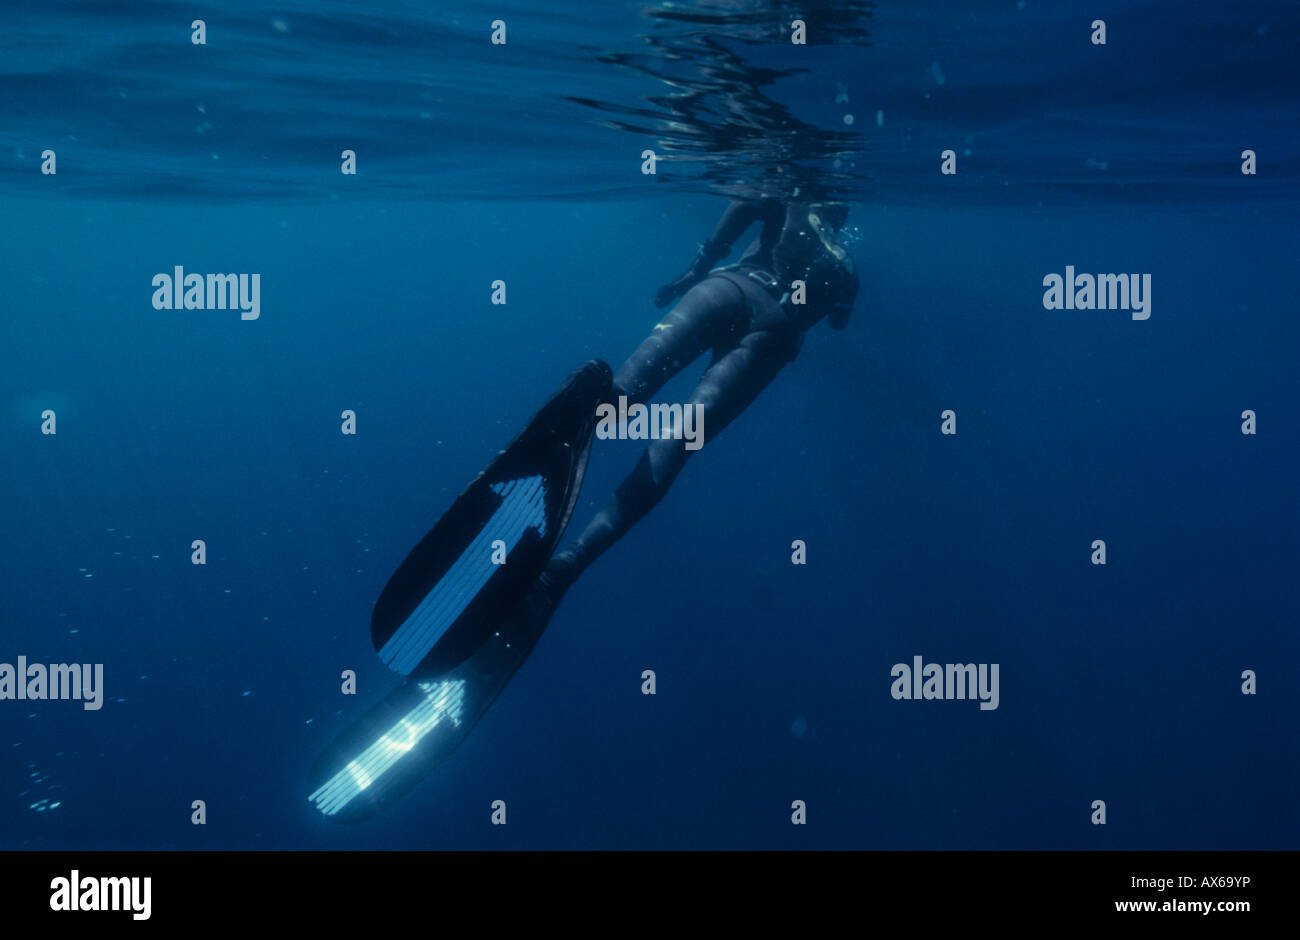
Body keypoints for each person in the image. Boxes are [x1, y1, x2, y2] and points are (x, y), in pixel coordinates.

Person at [537, 197, 860, 607]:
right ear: (843, 214)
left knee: (628, 389)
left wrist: (696, 269)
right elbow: (838, 320)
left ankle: (561, 435)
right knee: (678, 440)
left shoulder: (792, 193)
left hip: (731, 286)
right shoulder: (847, 266)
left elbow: (745, 202)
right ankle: (570, 564)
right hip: (773, 335)